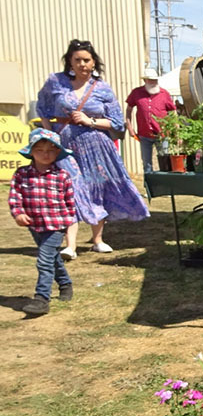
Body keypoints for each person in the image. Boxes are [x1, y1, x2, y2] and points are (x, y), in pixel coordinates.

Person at [36, 39, 149, 258]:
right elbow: (42, 107)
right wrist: (50, 134)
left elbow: (116, 122)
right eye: (77, 59)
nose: (82, 64)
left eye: (86, 60)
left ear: (94, 62)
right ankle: (71, 245)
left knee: (97, 189)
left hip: (97, 146)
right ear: (69, 61)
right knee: (71, 189)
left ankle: (97, 239)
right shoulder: (55, 82)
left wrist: (90, 121)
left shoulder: (102, 89)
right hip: (65, 147)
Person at [7, 129, 77, 317]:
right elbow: (15, 197)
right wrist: (18, 214)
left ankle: (41, 299)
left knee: (44, 260)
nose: (45, 154)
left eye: (50, 150)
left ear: (57, 153)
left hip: (56, 225)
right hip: (35, 224)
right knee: (53, 258)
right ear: (31, 152)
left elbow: (70, 202)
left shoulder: (62, 175)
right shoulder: (22, 174)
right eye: (40, 150)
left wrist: (67, 221)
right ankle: (65, 284)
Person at [125, 67, 176, 174]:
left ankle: (165, 187)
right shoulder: (136, 93)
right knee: (147, 164)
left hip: (162, 135)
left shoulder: (164, 93)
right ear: (145, 80)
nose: (153, 82)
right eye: (151, 80)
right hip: (144, 134)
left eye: (155, 80)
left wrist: (175, 129)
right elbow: (128, 110)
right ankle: (149, 188)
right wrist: (130, 128)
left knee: (165, 162)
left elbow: (173, 112)